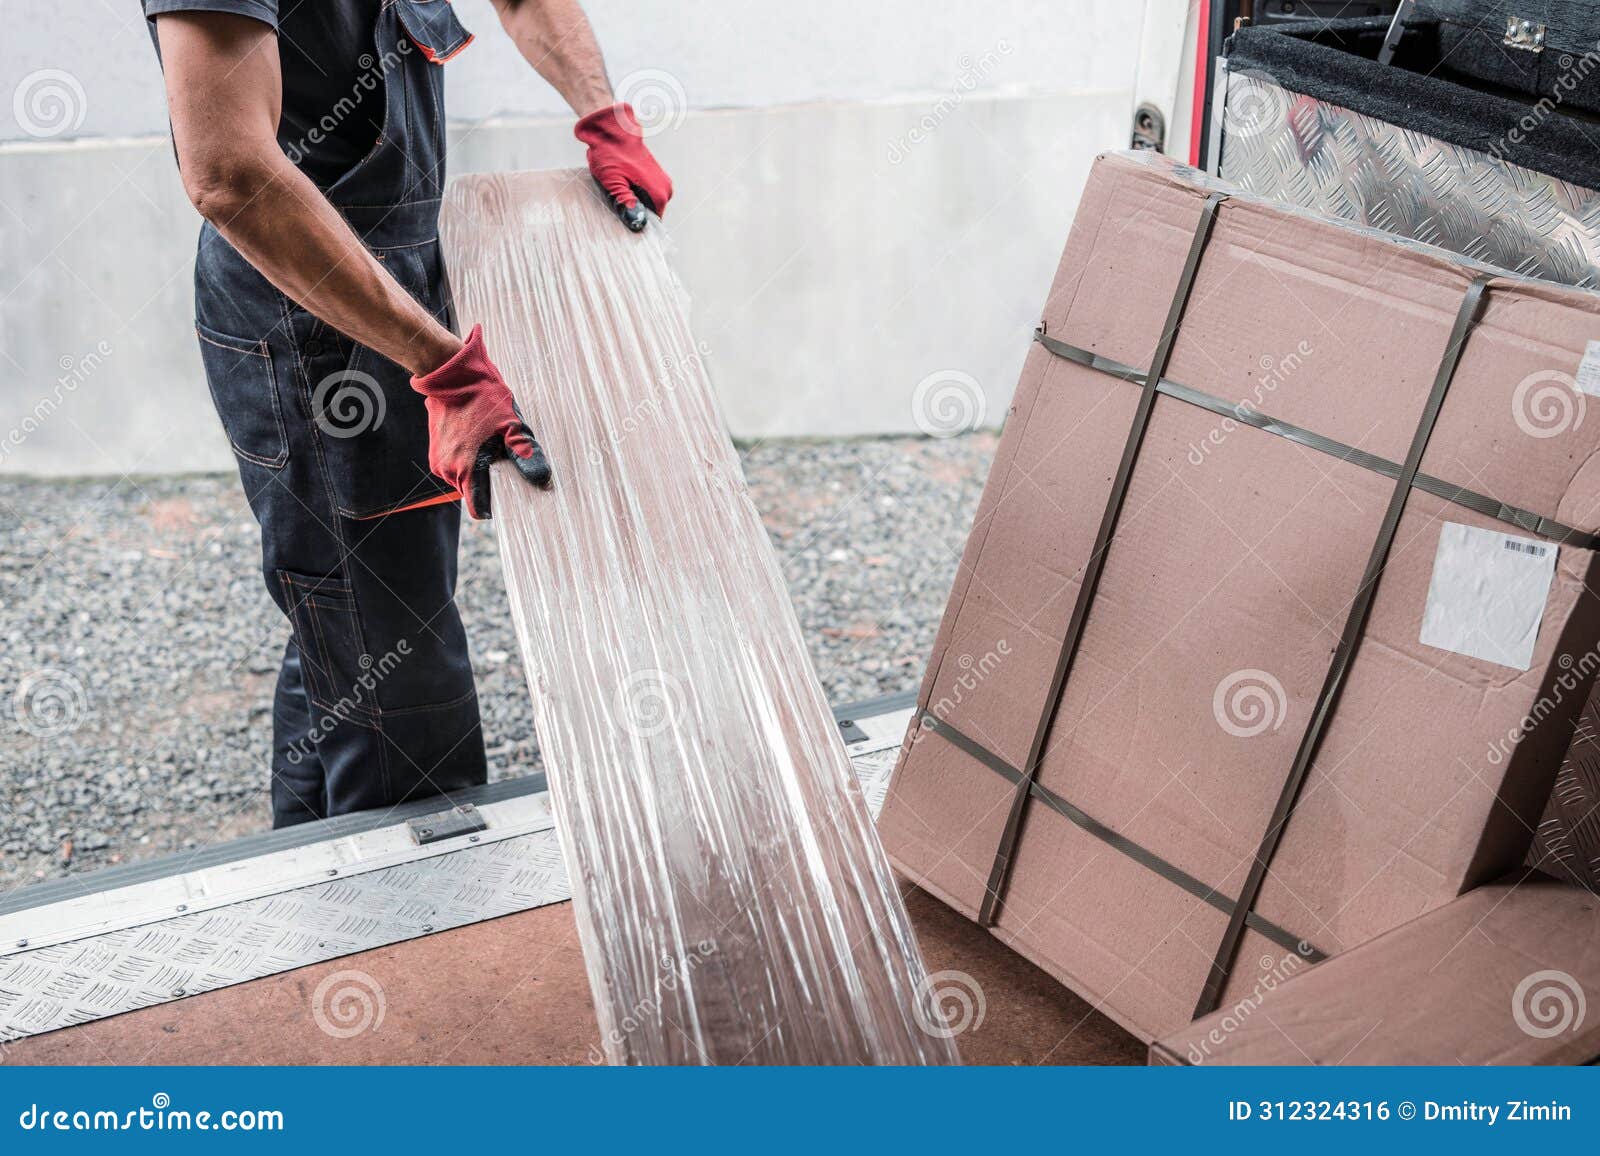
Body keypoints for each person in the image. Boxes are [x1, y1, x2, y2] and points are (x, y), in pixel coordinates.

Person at [142, 0, 673, 827]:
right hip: (308, 317)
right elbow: (228, 174)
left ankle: (319, 890)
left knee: (351, 615)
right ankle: (404, 927)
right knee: (399, 669)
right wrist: (443, 369)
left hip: (401, 291)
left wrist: (600, 112)